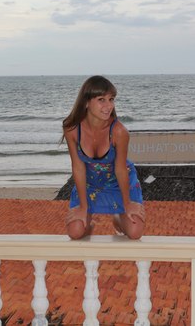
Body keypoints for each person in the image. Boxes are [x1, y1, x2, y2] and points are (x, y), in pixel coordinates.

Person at [62, 75, 145, 240]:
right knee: (75, 232)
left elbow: (120, 169)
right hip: (90, 183)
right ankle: (90, 223)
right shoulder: (72, 129)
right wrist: (83, 207)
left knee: (135, 232)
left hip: (117, 182)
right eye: (101, 100)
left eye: (111, 99)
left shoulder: (119, 132)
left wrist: (127, 204)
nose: (109, 106)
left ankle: (117, 219)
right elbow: (78, 168)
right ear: (86, 102)